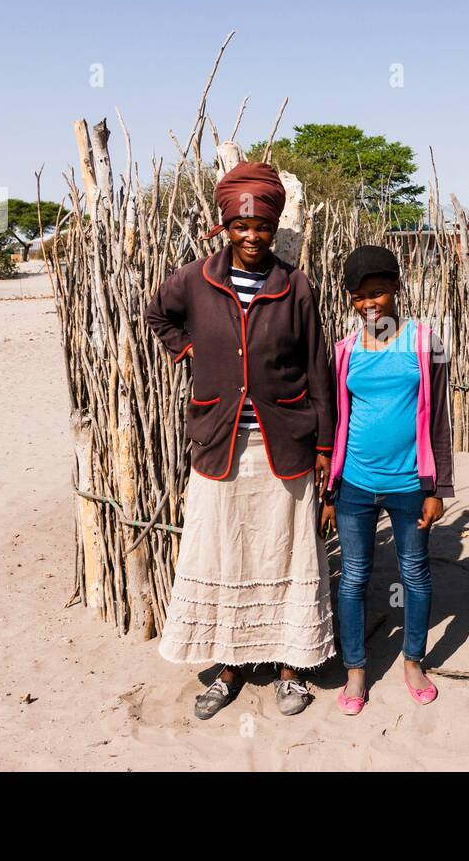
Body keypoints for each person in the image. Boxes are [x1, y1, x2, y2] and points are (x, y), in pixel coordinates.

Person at [144, 160, 336, 719]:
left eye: (263, 229)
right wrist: (190, 352)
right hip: (219, 440)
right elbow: (158, 316)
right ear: (225, 226)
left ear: (275, 230)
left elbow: (315, 364)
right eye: (241, 227)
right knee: (224, 553)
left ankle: (290, 669)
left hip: (285, 444)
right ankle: (228, 668)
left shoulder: (294, 285)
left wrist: (323, 446)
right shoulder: (195, 279)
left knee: (288, 552)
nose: (252, 237)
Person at [319, 245, 454, 715]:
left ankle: (413, 661)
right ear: (351, 299)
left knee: (414, 573)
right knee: (354, 575)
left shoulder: (425, 341)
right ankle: (357, 671)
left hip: (407, 485)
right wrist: (332, 492)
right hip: (354, 482)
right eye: (360, 296)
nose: (370, 303)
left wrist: (436, 489)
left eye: (378, 292)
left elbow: (439, 419)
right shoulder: (344, 351)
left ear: (395, 288)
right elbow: (335, 420)